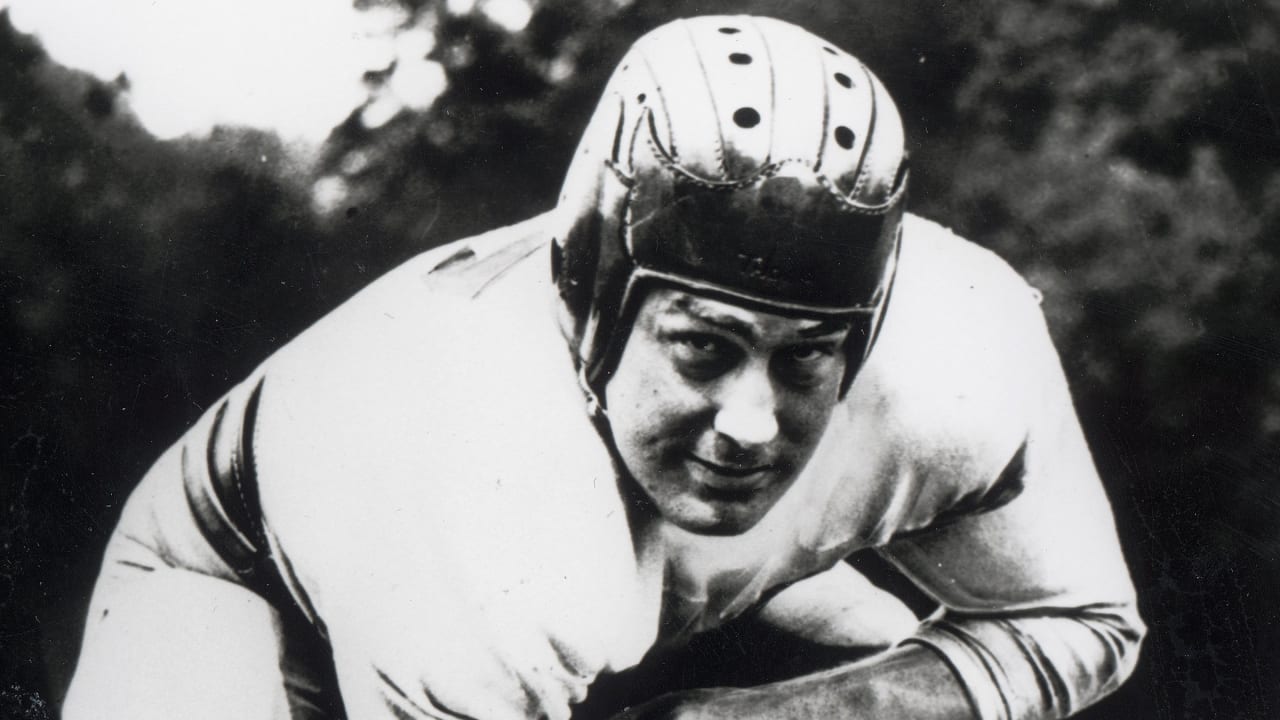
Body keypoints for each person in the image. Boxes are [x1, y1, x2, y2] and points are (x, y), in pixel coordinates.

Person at [63, 14, 1144, 720]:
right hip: (241, 583)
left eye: (807, 357)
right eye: (704, 349)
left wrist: (775, 717)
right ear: (590, 305)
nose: (752, 425)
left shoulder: (959, 349)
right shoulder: (464, 454)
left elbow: (1078, 629)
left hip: (626, 557)